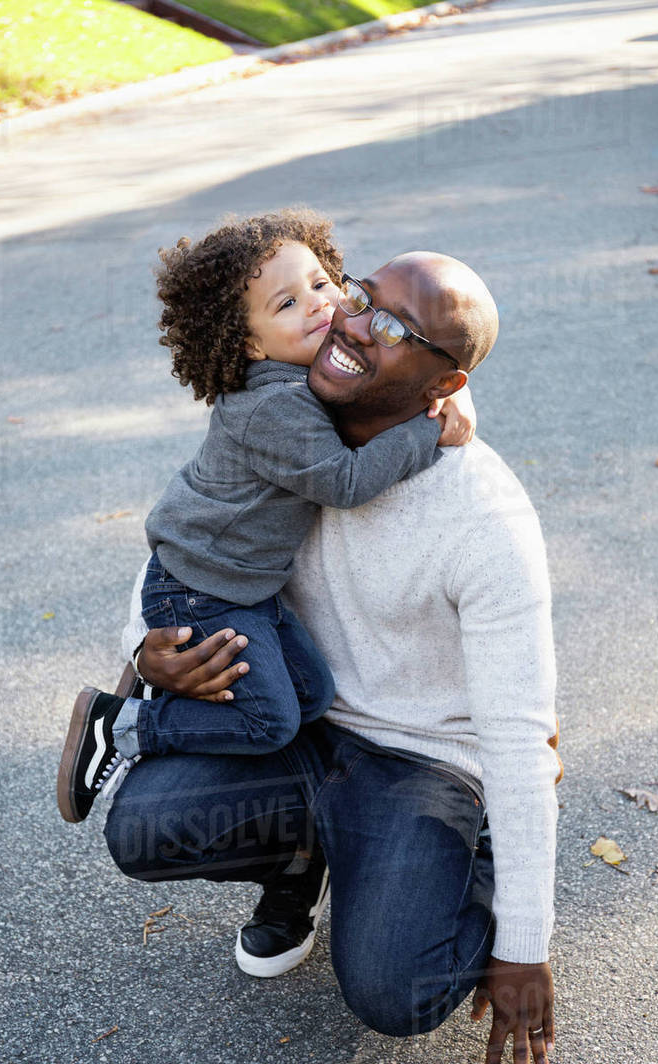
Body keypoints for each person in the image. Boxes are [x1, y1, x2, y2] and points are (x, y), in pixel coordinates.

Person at [104, 249, 561, 1064]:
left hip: (421, 764)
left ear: (443, 384)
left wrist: (523, 944)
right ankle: (299, 866)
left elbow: (521, 739)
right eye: (359, 296)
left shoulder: (484, 518)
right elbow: (198, 537)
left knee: (399, 993)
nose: (348, 322)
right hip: (308, 730)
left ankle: (471, 855)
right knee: (142, 828)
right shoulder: (291, 422)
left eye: (391, 327)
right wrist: (145, 646)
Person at [57, 211, 475, 824]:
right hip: (202, 592)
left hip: (245, 586)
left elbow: (399, 355)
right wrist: (428, 427)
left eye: (322, 284)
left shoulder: (301, 377)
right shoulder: (274, 405)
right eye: (286, 304)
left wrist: (443, 386)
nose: (318, 305)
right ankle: (122, 725)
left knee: (312, 694)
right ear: (250, 344)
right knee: (271, 719)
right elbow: (345, 480)